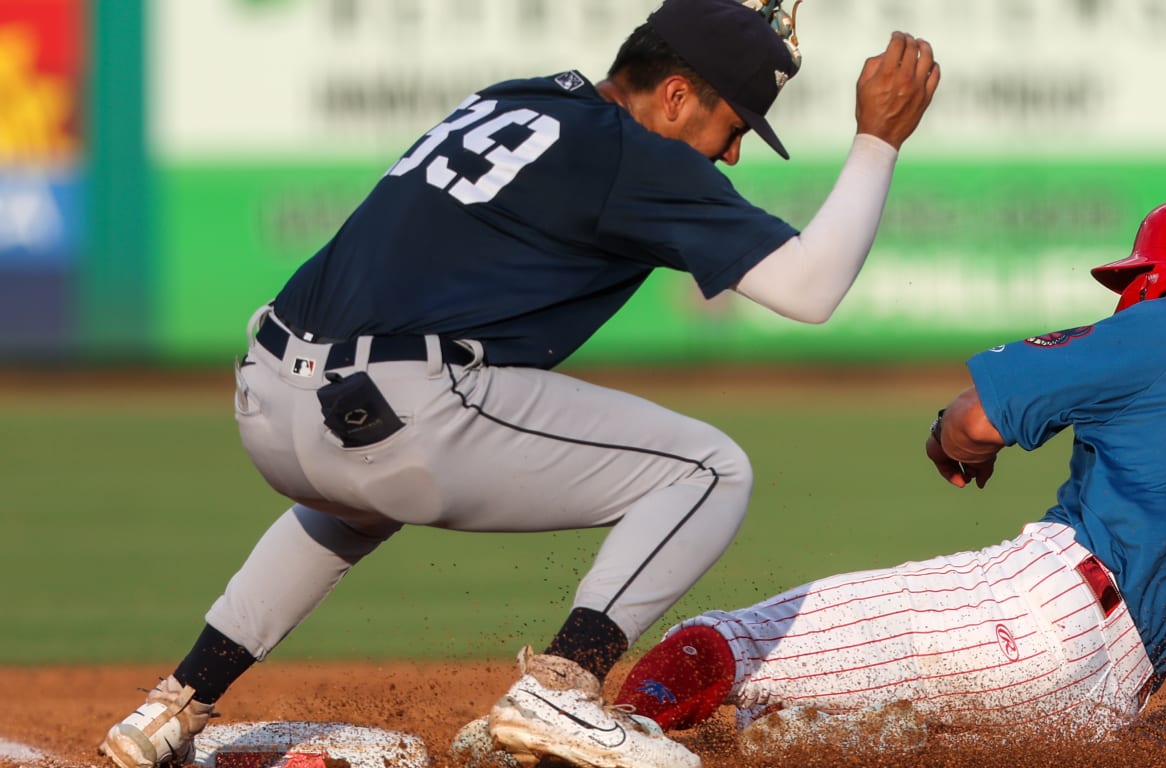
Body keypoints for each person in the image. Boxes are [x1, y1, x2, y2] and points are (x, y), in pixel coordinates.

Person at [98, 1, 940, 767]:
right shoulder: (635, 154)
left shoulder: (519, 98)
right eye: (733, 121)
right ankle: (563, 689)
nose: (733, 150)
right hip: (396, 412)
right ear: (676, 95)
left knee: (356, 500)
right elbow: (812, 287)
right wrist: (877, 142)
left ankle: (172, 707)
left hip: (268, 396)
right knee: (709, 470)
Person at [610, 196, 1166, 751]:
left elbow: (975, 419)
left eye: (1143, 277)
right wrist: (1156, 744)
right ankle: (874, 741)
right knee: (781, 730)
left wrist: (954, 444)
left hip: (1039, 610)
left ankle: (592, 739)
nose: (1131, 294)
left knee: (724, 644)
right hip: (1101, 711)